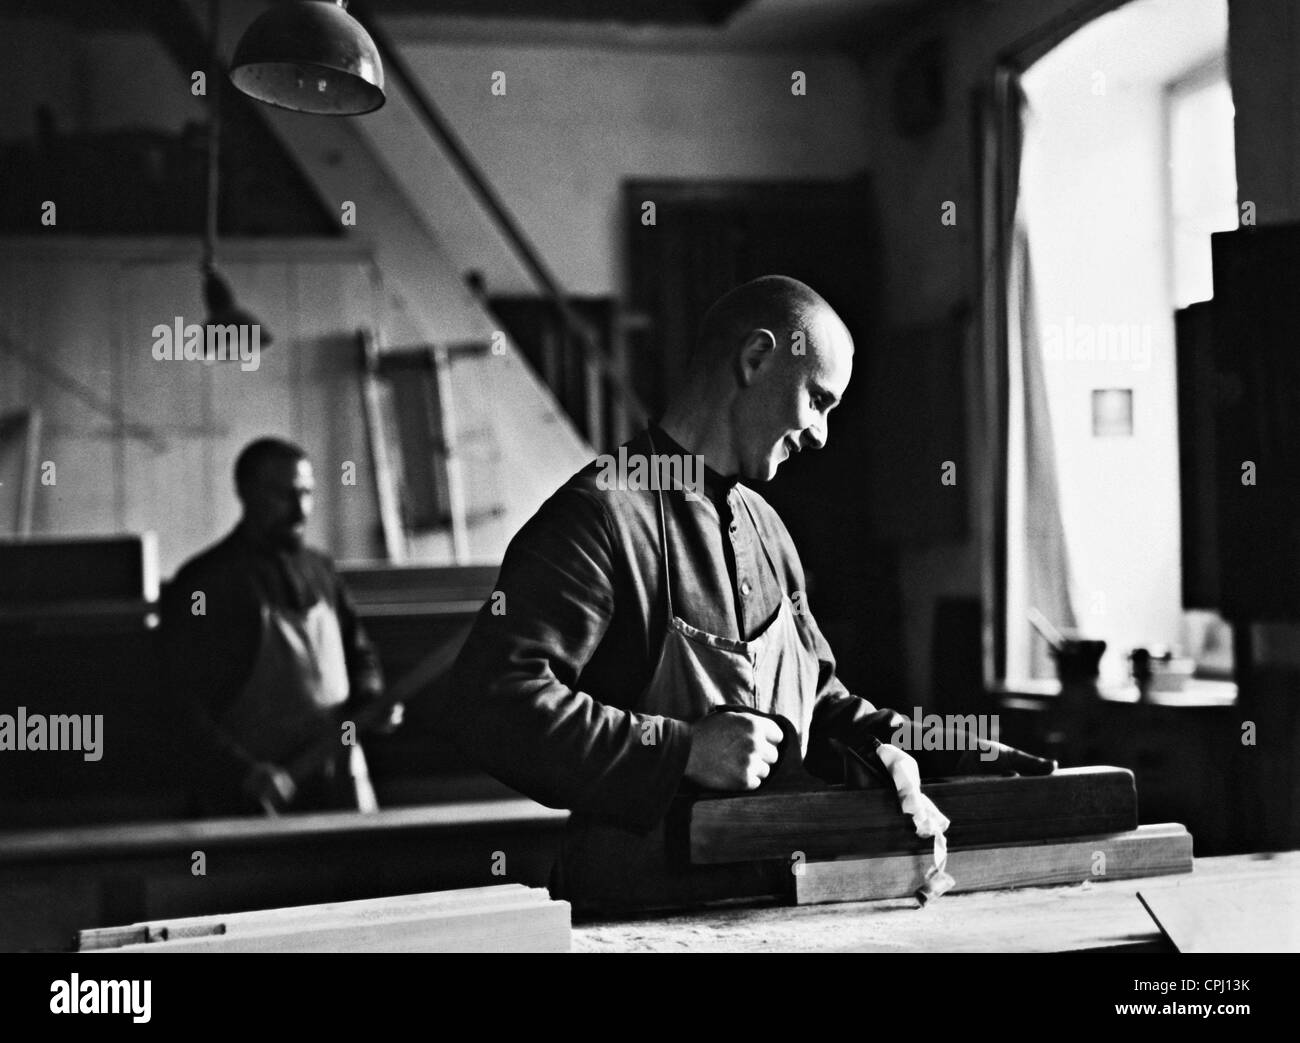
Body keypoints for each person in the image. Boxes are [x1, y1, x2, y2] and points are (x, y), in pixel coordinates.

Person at [435, 276, 1044, 912]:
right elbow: (494, 703)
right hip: (632, 916)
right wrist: (682, 750)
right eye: (818, 400)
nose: (821, 435)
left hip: (770, 905)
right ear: (755, 358)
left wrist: (953, 746)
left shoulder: (769, 530)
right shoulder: (599, 516)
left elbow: (824, 709)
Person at [160, 437, 401, 815]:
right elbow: (177, 702)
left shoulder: (321, 571)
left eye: (307, 493)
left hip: (338, 784)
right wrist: (241, 771)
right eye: (284, 495)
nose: (300, 510)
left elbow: (360, 655)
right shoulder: (206, 583)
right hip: (251, 796)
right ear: (245, 493)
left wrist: (373, 701)